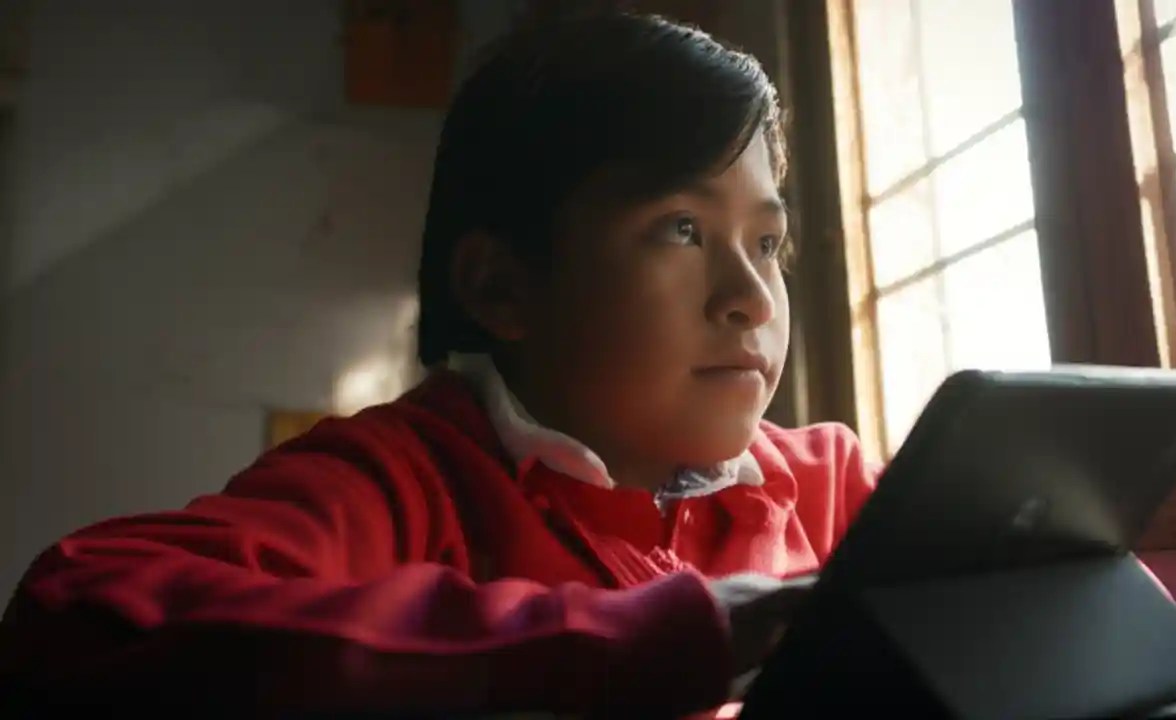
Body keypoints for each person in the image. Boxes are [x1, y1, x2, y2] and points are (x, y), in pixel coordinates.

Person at [0, 12, 875, 717]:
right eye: (681, 228)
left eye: (769, 241)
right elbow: (77, 612)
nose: (753, 297)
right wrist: (662, 639)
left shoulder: (831, 487)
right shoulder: (398, 480)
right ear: (501, 288)